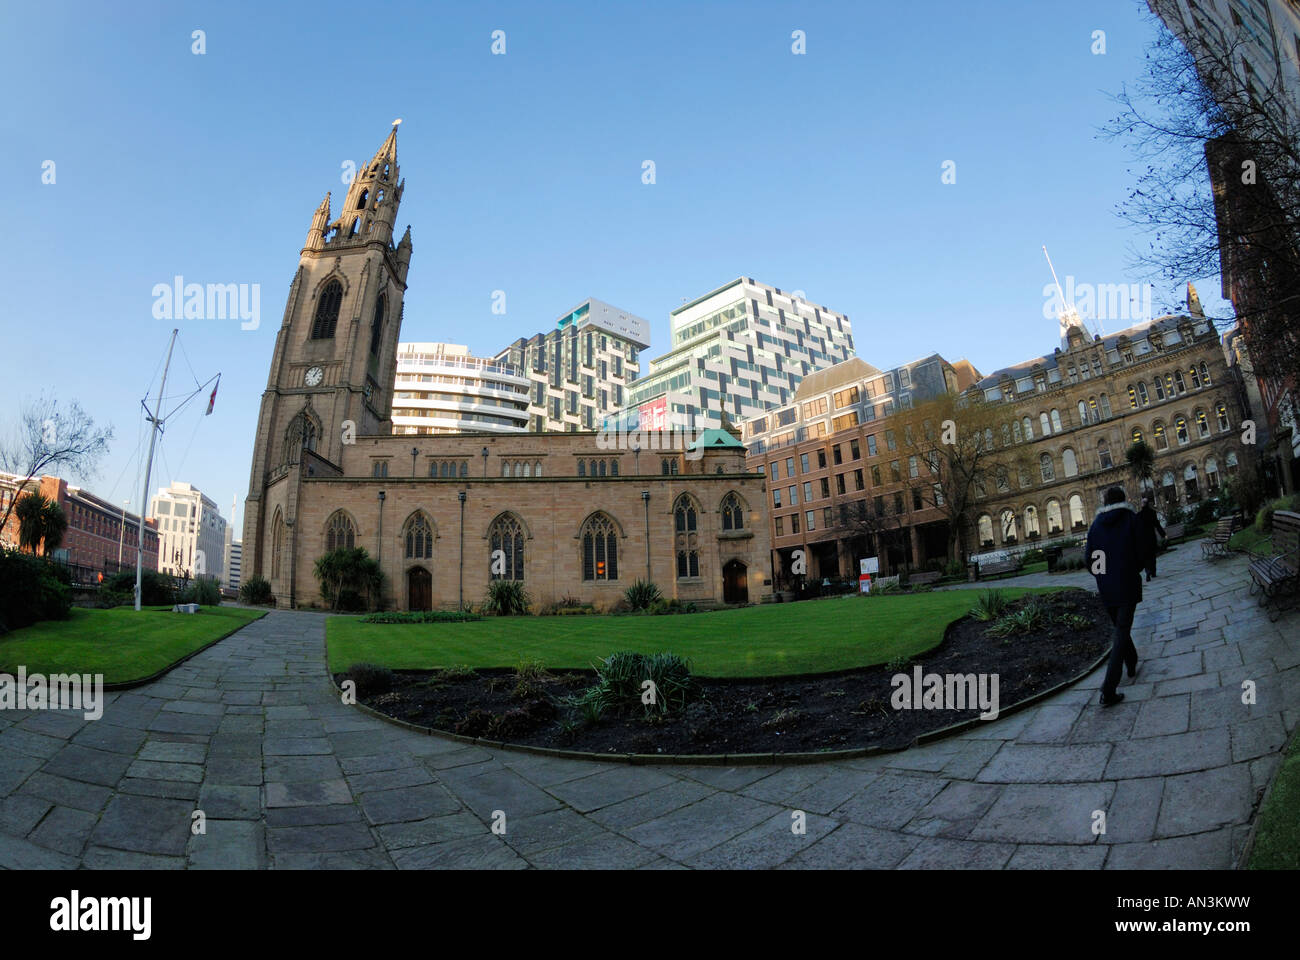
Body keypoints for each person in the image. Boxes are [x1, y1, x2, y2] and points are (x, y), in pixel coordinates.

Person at [1085, 486, 1143, 706]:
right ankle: (1108, 689)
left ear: (1106, 502)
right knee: (1121, 631)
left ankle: (1132, 660)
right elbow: (1142, 550)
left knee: (1121, 628)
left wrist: (1103, 575)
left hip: (1107, 587)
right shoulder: (1131, 518)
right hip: (1127, 584)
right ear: (1123, 499)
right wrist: (1132, 569)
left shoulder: (1096, 525)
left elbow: (1090, 558)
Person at [1137, 496, 1165, 582]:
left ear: (1142, 505)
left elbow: (1136, 528)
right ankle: (1153, 572)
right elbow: (1156, 524)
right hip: (1151, 536)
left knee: (1146, 556)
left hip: (1142, 538)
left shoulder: (1139, 515)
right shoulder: (1152, 513)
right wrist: (1163, 534)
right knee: (1152, 555)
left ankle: (1147, 571)